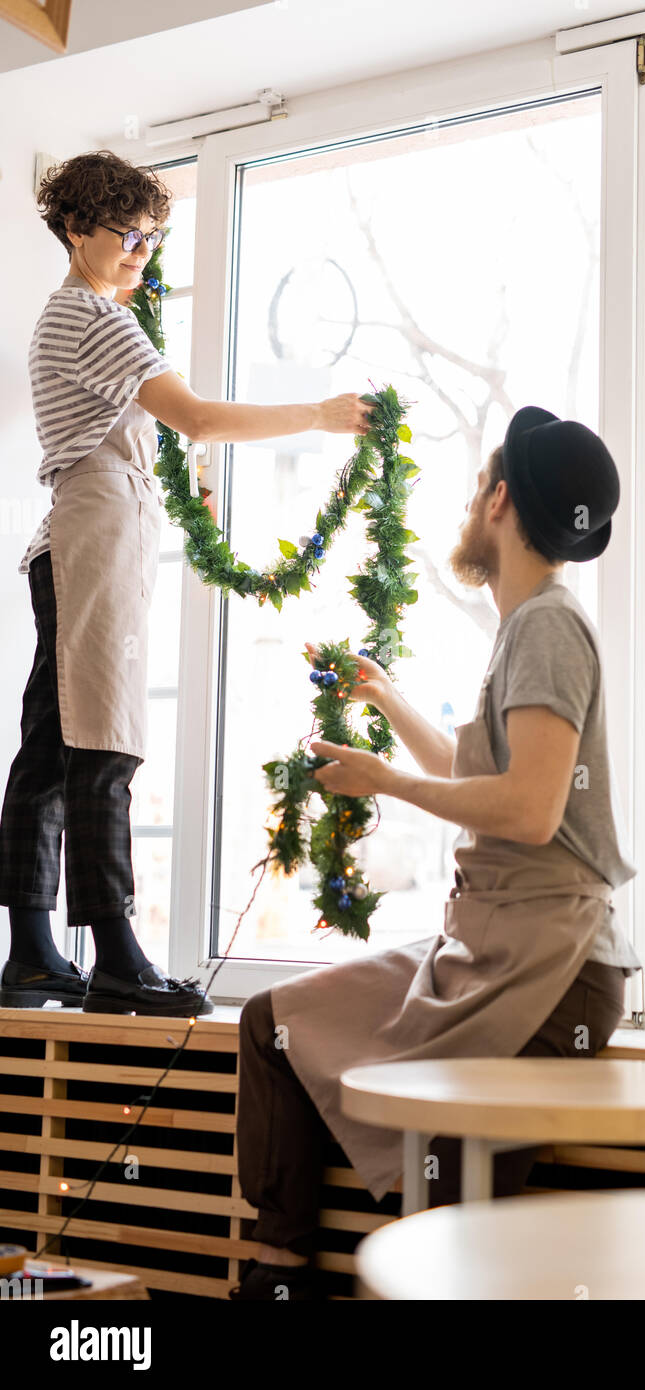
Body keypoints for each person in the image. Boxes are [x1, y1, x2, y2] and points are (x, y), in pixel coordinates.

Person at [231, 405, 643, 1300]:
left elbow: (530, 811)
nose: (467, 507)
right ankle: (276, 1279)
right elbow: (481, 775)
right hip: (499, 947)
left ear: (498, 501)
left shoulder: (546, 629)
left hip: (551, 967)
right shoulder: (529, 627)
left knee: (443, 1214)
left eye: (474, 490)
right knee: (274, 1024)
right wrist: (391, 703)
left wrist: (382, 783)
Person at [0, 149, 372, 1017]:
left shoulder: (79, 315)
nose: (140, 249)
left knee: (54, 745)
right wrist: (317, 415)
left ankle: (32, 953)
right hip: (95, 529)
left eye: (151, 236)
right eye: (125, 234)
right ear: (72, 230)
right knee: (105, 742)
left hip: (88, 527)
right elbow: (196, 413)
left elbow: (144, 424)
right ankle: (118, 958)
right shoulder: (95, 318)